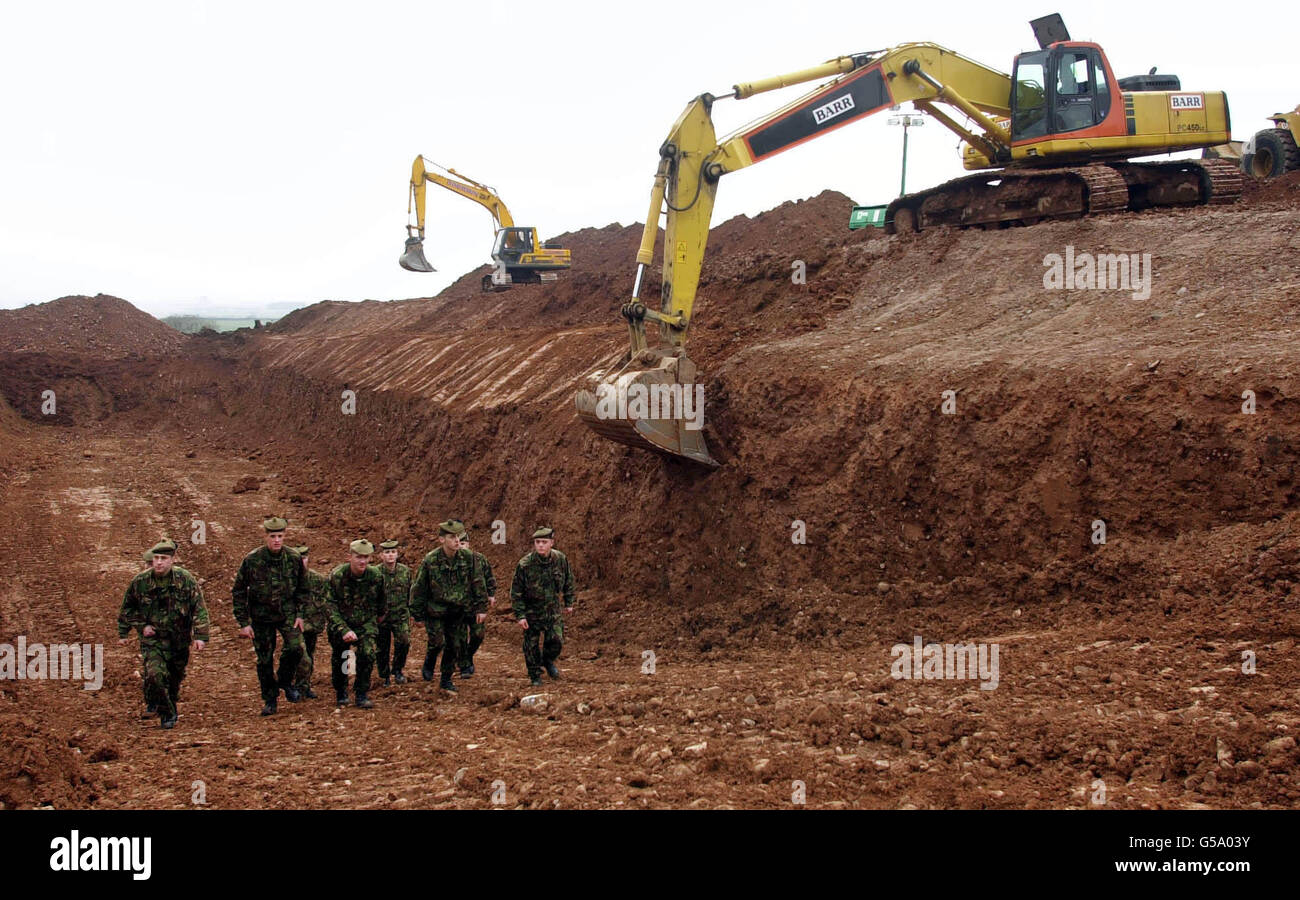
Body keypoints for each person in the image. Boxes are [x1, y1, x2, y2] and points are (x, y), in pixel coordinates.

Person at [117, 539, 209, 729]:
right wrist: (140, 627)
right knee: (154, 675)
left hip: (179, 641)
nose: (159, 562)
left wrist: (200, 636)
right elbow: (127, 610)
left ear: (172, 560)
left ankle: (168, 702)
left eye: (164, 558)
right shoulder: (141, 582)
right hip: (153, 641)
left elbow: (198, 608)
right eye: (156, 558)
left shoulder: (185, 580)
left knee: (174, 679)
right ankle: (168, 713)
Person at [232, 516, 307, 716]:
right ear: (266, 536)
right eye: (273, 536)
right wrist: (243, 622)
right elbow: (238, 591)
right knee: (264, 660)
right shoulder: (252, 560)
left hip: (287, 613)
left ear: (285, 536)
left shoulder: (293, 557)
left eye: (280, 536)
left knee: (296, 648)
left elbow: (303, 587)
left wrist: (300, 613)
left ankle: (284, 679)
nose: (276, 540)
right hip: (261, 616)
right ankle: (270, 698)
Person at [410, 520, 486, 693]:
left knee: (454, 645)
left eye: (458, 537)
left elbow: (478, 583)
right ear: (441, 539)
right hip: (435, 610)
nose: (457, 541)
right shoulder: (431, 560)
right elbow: (419, 587)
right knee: (438, 643)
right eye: (452, 537)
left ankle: (446, 678)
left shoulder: (468, 558)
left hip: (457, 611)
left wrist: (481, 608)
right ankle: (430, 660)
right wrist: (417, 614)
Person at [325, 539, 387, 709]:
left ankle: (361, 692)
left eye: (366, 557)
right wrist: (343, 629)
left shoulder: (375, 576)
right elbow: (329, 606)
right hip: (341, 623)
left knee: (367, 654)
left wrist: (377, 621)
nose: (362, 561)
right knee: (342, 656)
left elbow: (381, 602)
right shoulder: (337, 576)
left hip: (365, 623)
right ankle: (341, 690)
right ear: (349, 557)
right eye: (359, 557)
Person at [510, 526, 575, 687]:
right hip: (531, 611)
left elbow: (568, 581)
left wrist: (569, 602)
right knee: (531, 645)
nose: (540, 545)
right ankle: (534, 675)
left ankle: (547, 661)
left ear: (551, 543)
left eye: (544, 542)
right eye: (537, 542)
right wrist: (520, 615)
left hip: (552, 609)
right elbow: (516, 591)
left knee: (557, 640)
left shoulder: (560, 559)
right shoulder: (525, 564)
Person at [292, 546, 330, 700]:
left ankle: (304, 685)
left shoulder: (318, 579)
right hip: (295, 625)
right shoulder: (288, 580)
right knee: (302, 655)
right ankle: (296, 686)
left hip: (312, 624)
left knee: (310, 654)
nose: (302, 562)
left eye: (304, 558)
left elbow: (325, 601)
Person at [456, 530, 495, 678]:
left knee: (478, 634)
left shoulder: (479, 559)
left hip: (475, 606)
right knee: (459, 638)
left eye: (463, 543)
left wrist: (491, 594)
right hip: (457, 607)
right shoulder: (451, 561)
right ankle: (464, 666)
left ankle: (466, 656)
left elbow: (489, 577)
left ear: (469, 544)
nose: (461, 547)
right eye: (458, 544)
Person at [375, 539, 412, 685]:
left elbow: (410, 592)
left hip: (400, 615)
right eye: (387, 552)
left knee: (404, 641)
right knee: (382, 647)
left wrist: (413, 612)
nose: (390, 555)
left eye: (393, 552)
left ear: (397, 554)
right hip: (382, 618)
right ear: (381, 555)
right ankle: (384, 675)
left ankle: (397, 670)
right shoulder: (376, 573)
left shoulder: (405, 571)